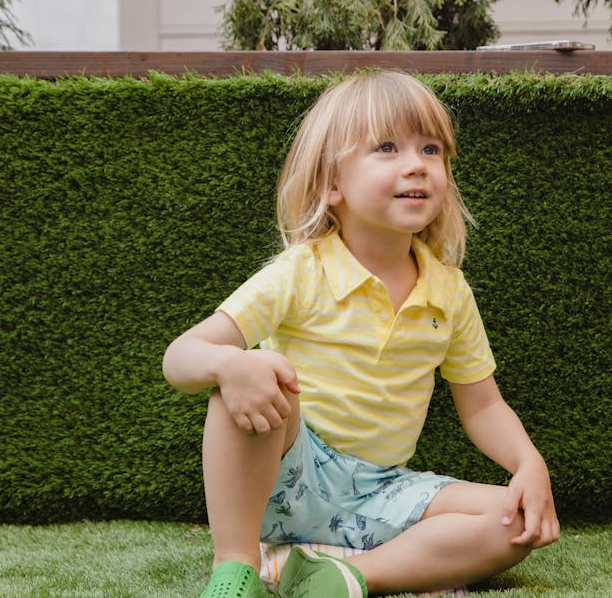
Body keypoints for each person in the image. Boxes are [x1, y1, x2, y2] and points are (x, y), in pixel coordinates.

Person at [162, 70, 559, 598]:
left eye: (431, 149)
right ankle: (237, 568)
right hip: (287, 473)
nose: (416, 163)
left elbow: (483, 406)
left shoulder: (450, 291)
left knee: (515, 522)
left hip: (385, 490)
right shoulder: (300, 271)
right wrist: (230, 366)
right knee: (257, 376)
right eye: (388, 147)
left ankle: (343, 575)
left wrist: (529, 463)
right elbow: (182, 355)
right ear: (332, 184)